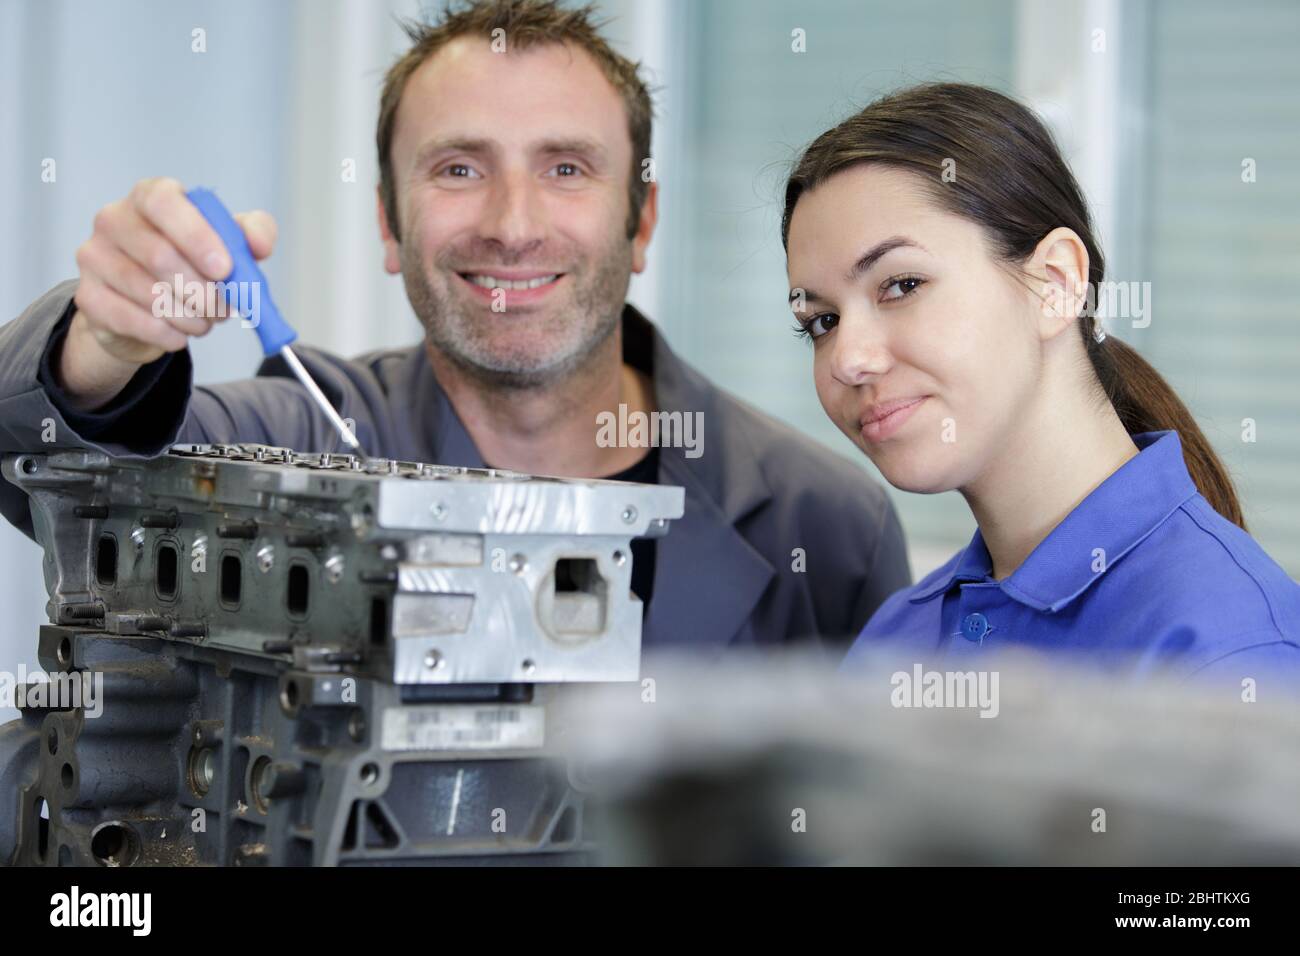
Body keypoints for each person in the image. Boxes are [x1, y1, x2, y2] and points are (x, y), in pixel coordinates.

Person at [0, 0, 912, 654]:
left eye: (565, 168)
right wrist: (102, 351)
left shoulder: (824, 523)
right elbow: (54, 464)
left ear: (640, 223)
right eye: (459, 169)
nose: (514, 226)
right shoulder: (295, 439)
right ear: (390, 227)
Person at [781, 82, 1300, 691]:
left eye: (901, 285)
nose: (848, 359)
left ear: (1055, 282)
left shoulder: (1226, 650)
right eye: (822, 321)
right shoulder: (895, 639)